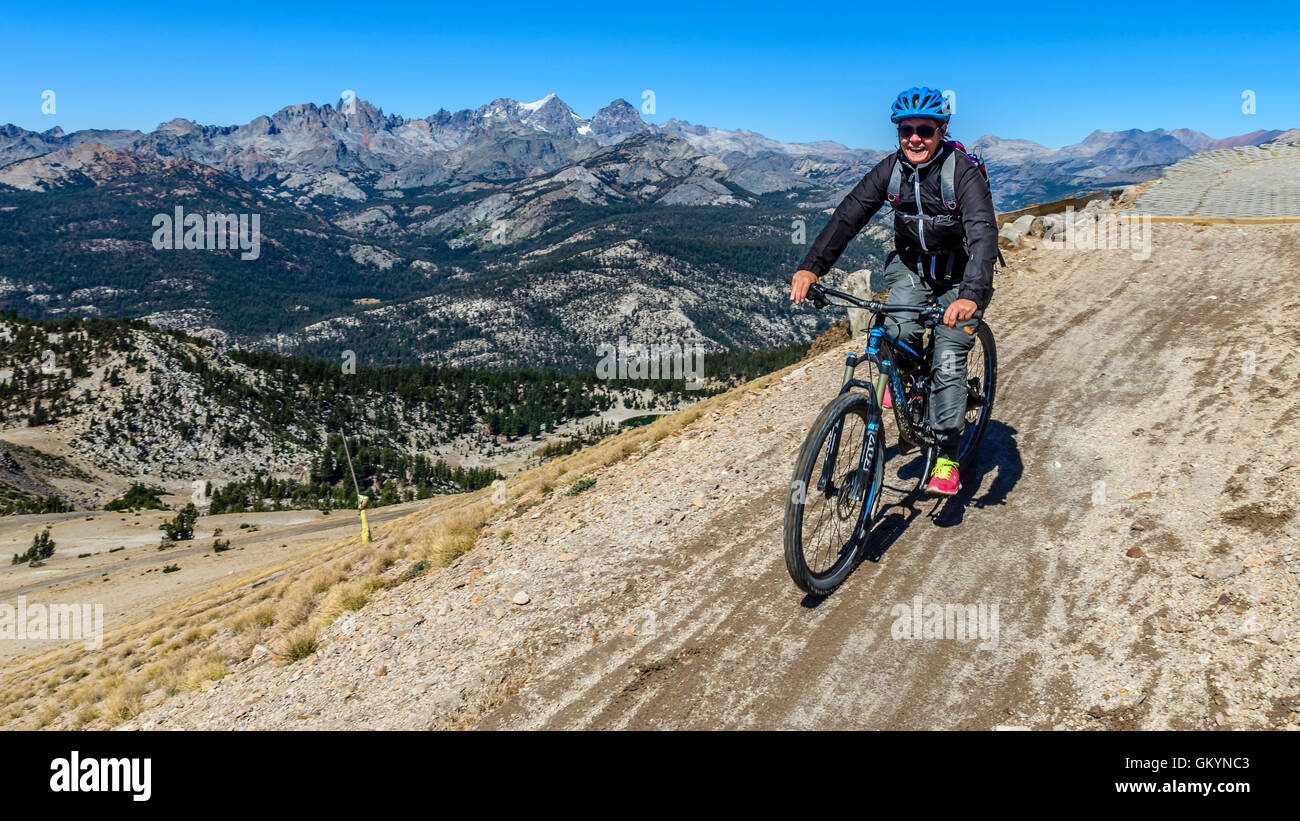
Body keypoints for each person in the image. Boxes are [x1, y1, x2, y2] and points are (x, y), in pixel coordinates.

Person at [789, 86, 998, 497]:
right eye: (906, 130)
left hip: (958, 278)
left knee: (949, 354)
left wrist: (971, 294)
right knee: (895, 333)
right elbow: (847, 216)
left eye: (924, 129)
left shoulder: (963, 173)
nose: (914, 138)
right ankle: (908, 383)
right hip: (911, 270)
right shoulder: (891, 171)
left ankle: (946, 454)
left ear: (941, 130)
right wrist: (811, 267)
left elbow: (983, 234)